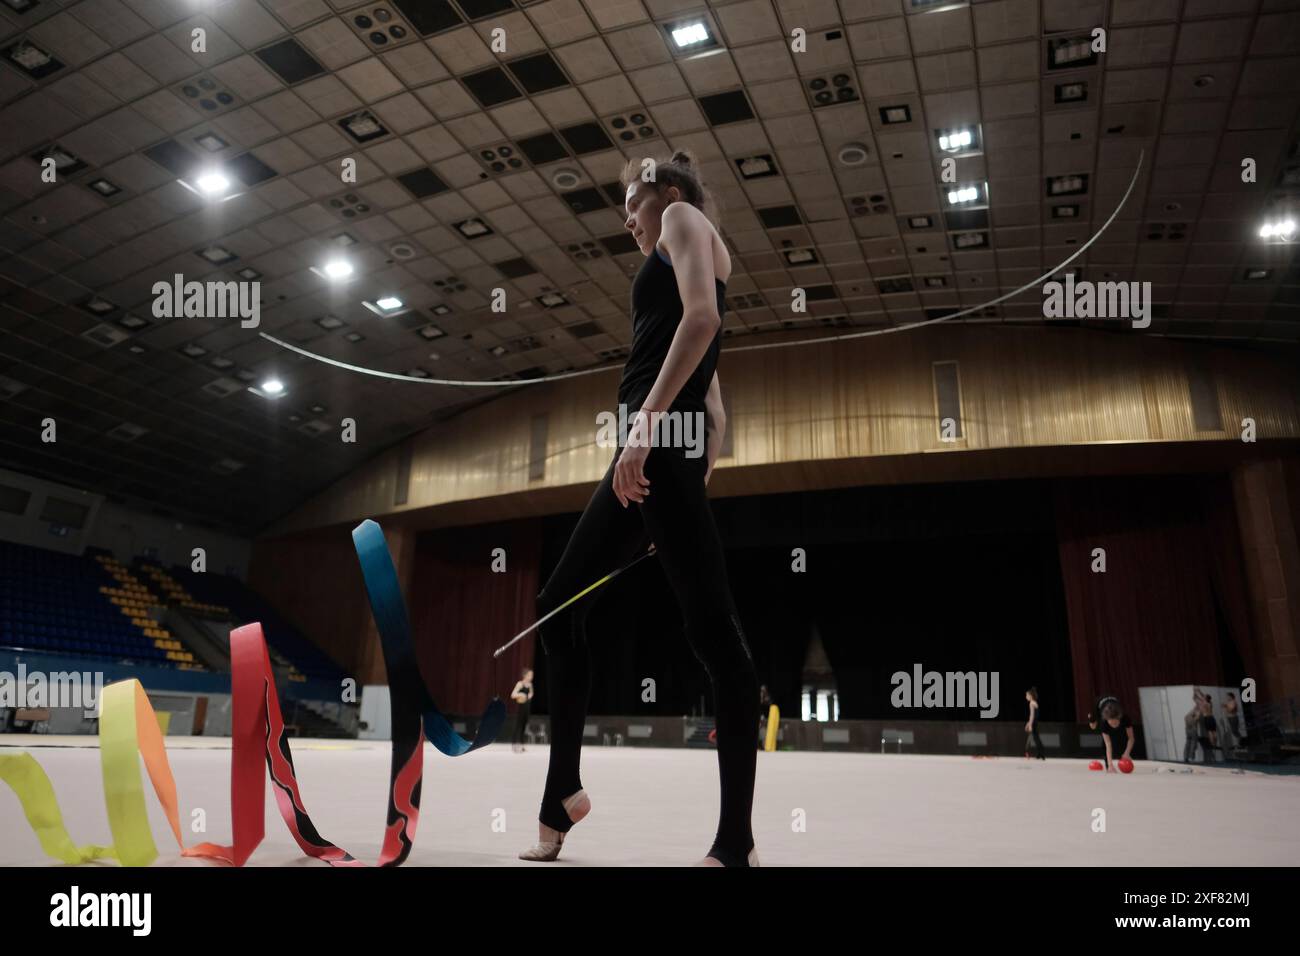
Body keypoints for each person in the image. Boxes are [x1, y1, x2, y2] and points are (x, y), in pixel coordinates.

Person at [520, 150, 760, 867]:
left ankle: (736, 841)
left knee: (716, 638)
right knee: (558, 607)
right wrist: (690, 481)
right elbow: (714, 401)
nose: (627, 217)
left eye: (633, 200)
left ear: (670, 193)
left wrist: (648, 436)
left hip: (651, 450)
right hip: (655, 464)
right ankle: (563, 789)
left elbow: (701, 319)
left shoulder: (685, 220)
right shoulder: (683, 246)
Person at [1087, 695, 1134, 772]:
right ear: (1107, 720)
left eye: (1115, 723)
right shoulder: (1104, 722)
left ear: (1119, 718)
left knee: (1119, 734)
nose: (1113, 725)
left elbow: (1131, 738)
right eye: (1111, 723)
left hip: (1114, 704)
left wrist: (1127, 753)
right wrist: (1110, 765)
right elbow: (1108, 744)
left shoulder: (1125, 718)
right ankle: (1090, 717)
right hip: (1098, 705)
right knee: (1093, 726)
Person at [510, 668, 534, 753]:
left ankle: (522, 744)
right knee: (518, 726)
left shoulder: (530, 685)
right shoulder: (520, 684)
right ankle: (515, 744)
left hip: (527, 706)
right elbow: (513, 695)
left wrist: (529, 696)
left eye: (532, 675)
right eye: (530, 675)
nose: (531, 677)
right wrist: (521, 694)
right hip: (521, 706)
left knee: (524, 725)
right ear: (525, 675)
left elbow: (531, 693)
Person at [1024, 687, 1046, 760]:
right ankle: (1040, 754)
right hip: (1035, 722)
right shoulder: (1034, 702)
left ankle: (1041, 754)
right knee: (1036, 738)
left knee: (1036, 738)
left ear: (1030, 695)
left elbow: (1032, 715)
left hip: (1034, 722)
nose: (1026, 697)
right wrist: (1028, 723)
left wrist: (1030, 725)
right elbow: (1033, 716)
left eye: (1027, 695)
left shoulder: (1031, 703)